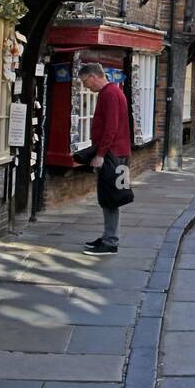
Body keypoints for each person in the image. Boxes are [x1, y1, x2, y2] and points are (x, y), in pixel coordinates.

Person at [79, 62, 133, 256]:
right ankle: (108, 236)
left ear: (94, 76)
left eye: (86, 82)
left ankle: (110, 242)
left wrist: (100, 154)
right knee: (109, 198)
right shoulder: (113, 92)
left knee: (111, 198)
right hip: (117, 153)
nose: (86, 87)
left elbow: (111, 127)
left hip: (113, 155)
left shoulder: (110, 94)